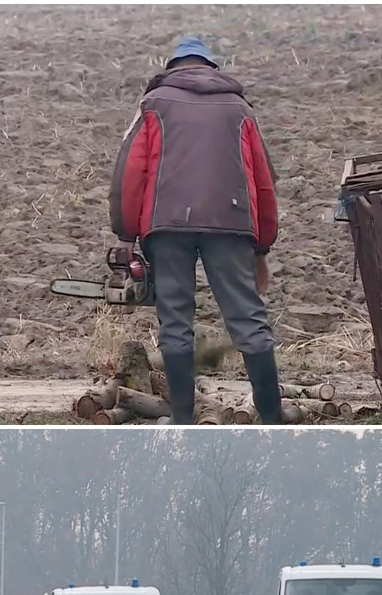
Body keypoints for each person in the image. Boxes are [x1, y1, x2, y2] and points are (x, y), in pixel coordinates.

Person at [109, 36, 282, 425]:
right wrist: (263, 247)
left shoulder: (153, 105)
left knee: (174, 322)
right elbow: (263, 181)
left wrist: (125, 235)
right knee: (249, 319)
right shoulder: (239, 109)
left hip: (167, 227)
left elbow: (130, 173)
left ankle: (184, 421)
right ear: (211, 68)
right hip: (232, 225)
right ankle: (272, 419)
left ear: (172, 67)